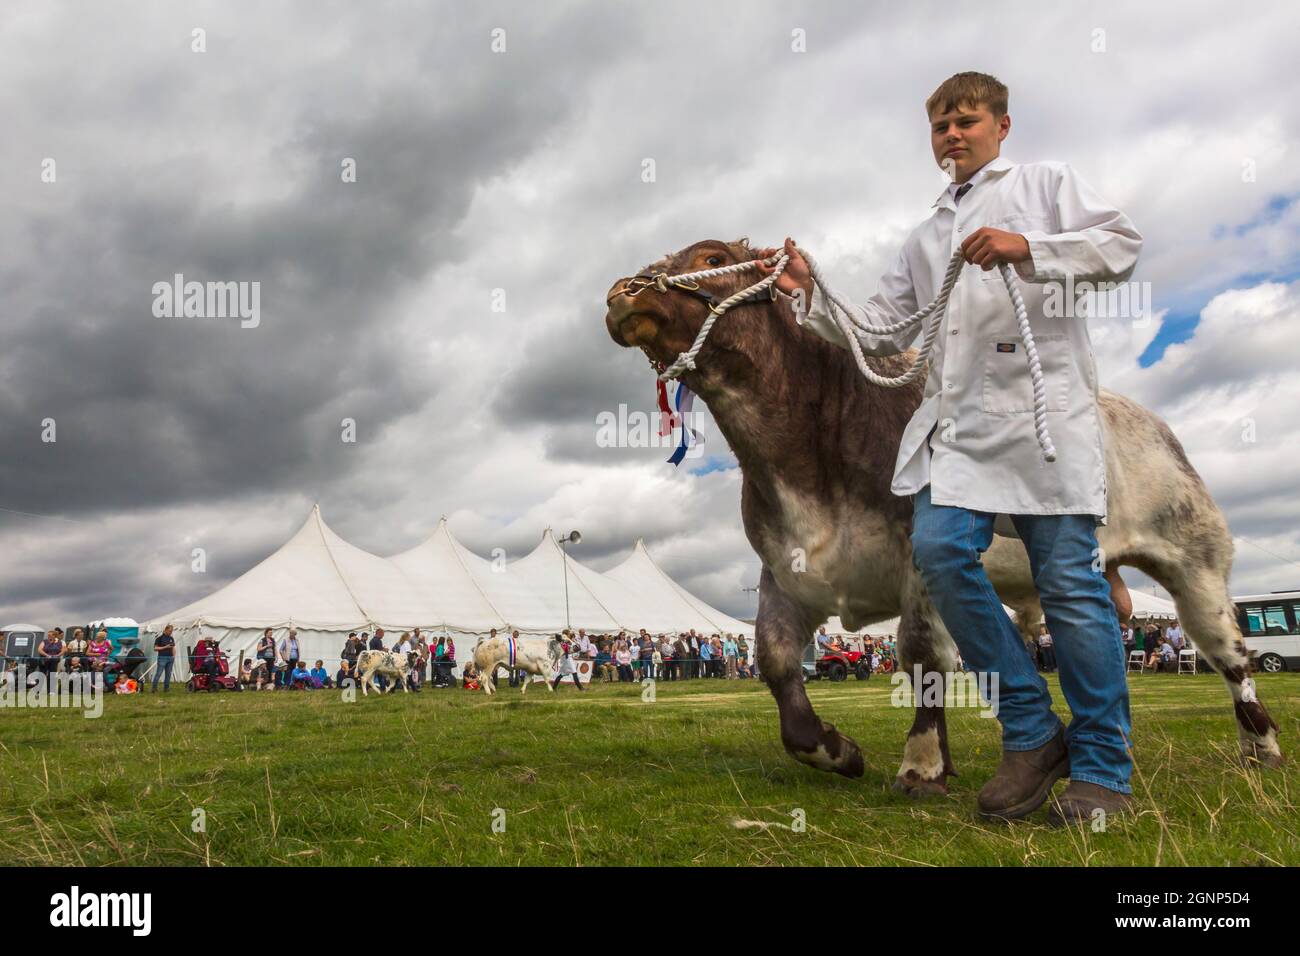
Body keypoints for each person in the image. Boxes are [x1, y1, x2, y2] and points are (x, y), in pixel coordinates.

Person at [758, 71, 1142, 824]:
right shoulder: (927, 234)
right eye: (940, 126)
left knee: (1067, 584)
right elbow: (879, 329)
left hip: (1042, 419)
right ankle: (1031, 730)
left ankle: (1102, 769)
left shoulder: (1046, 184)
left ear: (1002, 125)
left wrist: (1028, 246)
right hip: (957, 430)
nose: (952, 135)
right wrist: (812, 292)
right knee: (936, 551)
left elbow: (1121, 247)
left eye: (966, 121)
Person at [152, 624, 177, 691]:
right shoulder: (159, 638)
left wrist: (174, 656)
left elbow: (173, 648)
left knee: (168, 674)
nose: (170, 632)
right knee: (159, 673)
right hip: (162, 658)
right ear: (165, 630)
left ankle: (166, 688)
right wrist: (165, 647)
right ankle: (154, 688)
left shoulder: (171, 638)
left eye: (171, 631)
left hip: (170, 658)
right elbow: (155, 648)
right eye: (169, 631)